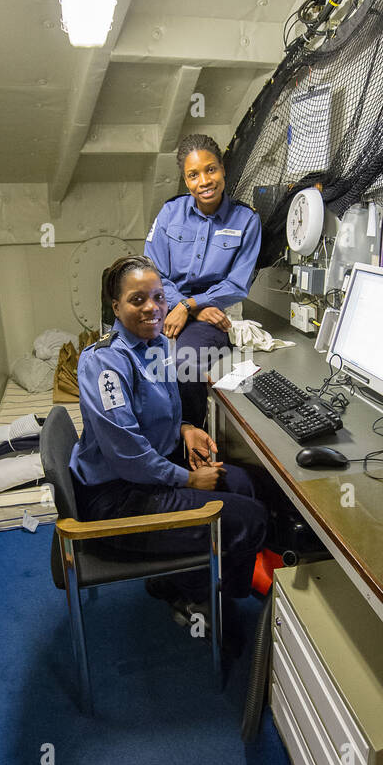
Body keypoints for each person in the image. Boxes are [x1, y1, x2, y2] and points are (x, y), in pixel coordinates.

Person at [69, 255, 268, 620]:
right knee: (251, 519)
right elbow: (129, 454)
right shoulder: (104, 363)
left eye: (159, 297)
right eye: (137, 299)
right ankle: (196, 598)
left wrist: (185, 429)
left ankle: (197, 584)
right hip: (118, 498)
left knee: (242, 484)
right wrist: (189, 479)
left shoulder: (157, 344)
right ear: (116, 306)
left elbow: (150, 412)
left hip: (145, 475)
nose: (153, 308)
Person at [145, 133, 262, 426]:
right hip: (168, 306)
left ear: (223, 169)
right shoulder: (170, 212)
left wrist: (190, 307)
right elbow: (153, 273)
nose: (204, 181)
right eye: (194, 175)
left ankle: (191, 441)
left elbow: (237, 284)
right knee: (127, 360)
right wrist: (187, 305)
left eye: (210, 169)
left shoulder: (246, 220)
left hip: (215, 315)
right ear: (186, 181)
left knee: (185, 366)